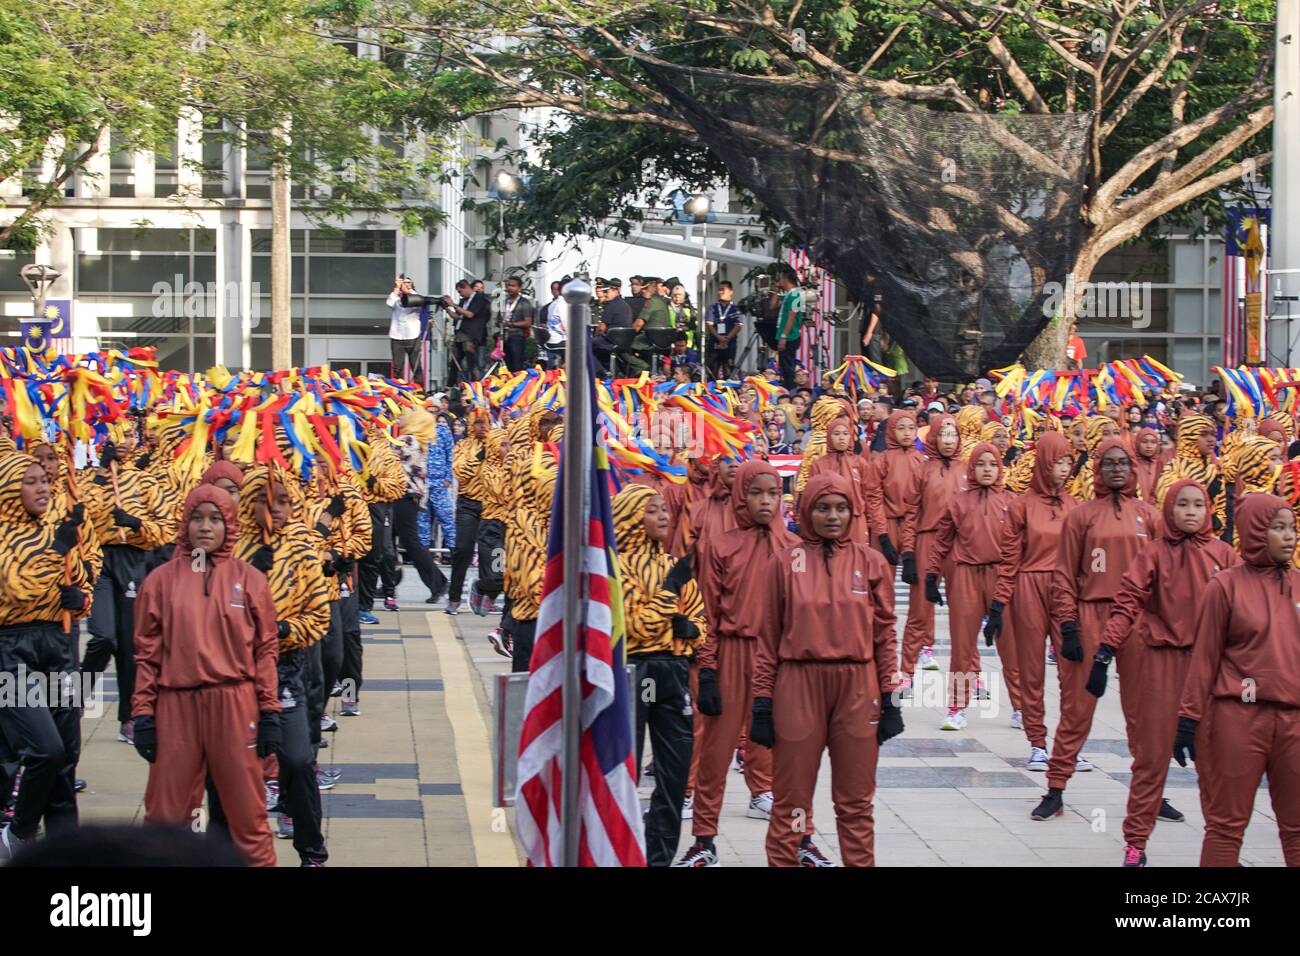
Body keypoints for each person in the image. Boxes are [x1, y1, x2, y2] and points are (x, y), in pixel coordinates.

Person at [751, 472, 902, 867]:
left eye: (840, 508)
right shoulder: (784, 563)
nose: (832, 516)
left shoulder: (870, 561)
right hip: (798, 685)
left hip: (857, 685)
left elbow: (885, 634)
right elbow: (767, 640)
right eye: (822, 508)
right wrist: (762, 703)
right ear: (805, 510)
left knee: (855, 802)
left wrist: (891, 696)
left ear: (853, 511)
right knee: (792, 804)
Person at [130, 485, 280, 867]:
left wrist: (270, 710)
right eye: (197, 518)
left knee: (249, 817)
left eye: (215, 518)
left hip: (234, 704)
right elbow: (146, 655)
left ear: (230, 524)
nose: (205, 527)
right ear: (185, 523)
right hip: (175, 705)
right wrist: (143, 713)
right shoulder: (159, 582)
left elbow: (265, 651)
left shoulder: (250, 580)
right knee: (164, 818)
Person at [1092, 479, 1236, 867]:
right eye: (1182, 505)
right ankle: (1136, 842)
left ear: (1209, 510)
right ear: (1168, 509)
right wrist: (1105, 650)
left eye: (1198, 505)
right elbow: (1127, 603)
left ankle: (1222, 846)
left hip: (1210, 669)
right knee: (1151, 757)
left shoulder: (1224, 554)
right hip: (1161, 665)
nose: (1191, 512)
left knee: (1215, 761)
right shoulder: (1152, 553)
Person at [1037, 439, 1161, 821]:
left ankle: (1151, 794)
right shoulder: (1082, 515)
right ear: (1097, 470)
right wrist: (1068, 626)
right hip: (1091, 614)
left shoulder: (1150, 516)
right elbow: (1064, 574)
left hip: (1138, 619)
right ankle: (1056, 787)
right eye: (1109, 463)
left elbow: (1163, 576)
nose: (1118, 469)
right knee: (1077, 707)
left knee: (1142, 711)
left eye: (1124, 462)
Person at [675, 461, 788, 867]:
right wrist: (707, 669)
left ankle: (793, 839)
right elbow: (706, 610)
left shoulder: (792, 548)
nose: (765, 501)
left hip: (777, 659)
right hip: (731, 654)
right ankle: (704, 839)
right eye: (756, 493)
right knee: (717, 752)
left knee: (783, 749)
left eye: (773, 493)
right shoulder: (721, 546)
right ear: (742, 494)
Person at [1177, 493, 1300, 866]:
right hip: (1238, 718)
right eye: (1278, 528)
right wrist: (1188, 719)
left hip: (1294, 722)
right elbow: (1205, 659)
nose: (1290, 536)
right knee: (1227, 826)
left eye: (1292, 527)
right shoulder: (1225, 586)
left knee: (1296, 829)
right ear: (1256, 531)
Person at [230, 467, 331, 862]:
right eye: (268, 500)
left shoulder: (304, 548)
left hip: (285, 668)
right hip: (234, 671)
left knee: (298, 758)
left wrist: (283, 628)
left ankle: (312, 850)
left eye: (286, 500)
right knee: (236, 764)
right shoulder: (228, 549)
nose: (279, 509)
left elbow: (319, 617)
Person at [0, 453, 92, 858]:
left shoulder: (58, 529)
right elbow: (17, 585)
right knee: (45, 748)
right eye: (30, 481)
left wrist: (81, 598)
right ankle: (18, 830)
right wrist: (58, 549)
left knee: (65, 762)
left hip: (58, 644)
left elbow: (83, 576)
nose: (42, 487)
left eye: (44, 480)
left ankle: (64, 848)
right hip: (12, 649)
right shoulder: (3, 533)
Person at [612, 485, 707, 867]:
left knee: (674, 771)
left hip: (674, 672)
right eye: (652, 511)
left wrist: (690, 628)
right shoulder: (616, 568)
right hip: (638, 673)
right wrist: (670, 597)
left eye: (663, 509)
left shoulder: (673, 565)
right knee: (626, 766)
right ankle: (620, 847)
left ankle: (659, 856)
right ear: (633, 518)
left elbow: (699, 619)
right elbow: (635, 626)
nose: (664, 517)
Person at [991, 431, 1076, 769]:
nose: (1065, 469)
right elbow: (1009, 557)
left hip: (1065, 588)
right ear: (1044, 463)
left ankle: (1071, 742)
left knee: (1072, 668)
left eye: (1069, 462)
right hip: (1028, 588)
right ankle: (1037, 742)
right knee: (1032, 668)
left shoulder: (1074, 505)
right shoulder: (1021, 506)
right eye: (1058, 462)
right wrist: (999, 602)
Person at [81, 426, 168, 746]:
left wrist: (136, 524)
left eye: (129, 435)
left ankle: (129, 717)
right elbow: (81, 517)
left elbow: (164, 530)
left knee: (131, 645)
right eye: (117, 435)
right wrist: (102, 475)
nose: (123, 442)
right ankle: (77, 692)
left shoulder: (145, 481)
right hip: (100, 560)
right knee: (103, 636)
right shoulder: (92, 477)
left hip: (133, 561)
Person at [925, 442, 1011, 730]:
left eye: (993, 464)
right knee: (962, 646)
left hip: (1000, 575)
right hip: (965, 577)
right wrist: (931, 576)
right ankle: (956, 707)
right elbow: (942, 542)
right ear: (971, 468)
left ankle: (1023, 706)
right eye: (980, 465)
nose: (987, 470)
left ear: (1000, 468)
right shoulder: (958, 502)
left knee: (1010, 645)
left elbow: (1019, 546)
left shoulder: (1011, 503)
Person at [900, 413, 964, 680]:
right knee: (919, 610)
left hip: (959, 545)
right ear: (933, 437)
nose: (948, 440)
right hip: (928, 540)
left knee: (963, 614)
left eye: (953, 434)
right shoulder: (922, 470)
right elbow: (911, 513)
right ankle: (905, 673)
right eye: (943, 434)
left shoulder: (966, 470)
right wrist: (908, 552)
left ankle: (968, 677)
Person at [391, 408, 449, 607]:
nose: (401, 417)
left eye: (405, 415)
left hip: (403, 495)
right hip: (408, 495)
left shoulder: (408, 441)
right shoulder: (418, 442)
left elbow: (388, 458)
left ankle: (438, 582)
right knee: (390, 541)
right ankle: (390, 582)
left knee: (410, 542)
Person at [356, 423, 406, 624]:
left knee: (372, 557)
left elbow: (398, 486)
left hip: (377, 508)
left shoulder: (387, 453)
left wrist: (372, 482)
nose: (372, 427)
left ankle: (364, 606)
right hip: (351, 507)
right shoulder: (348, 446)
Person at [445, 279, 490, 384]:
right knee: (454, 362)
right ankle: (450, 386)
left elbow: (470, 314)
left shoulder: (479, 298)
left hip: (470, 335)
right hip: (460, 334)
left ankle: (476, 386)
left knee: (472, 362)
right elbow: (458, 317)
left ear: (466, 287)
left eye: (460, 292)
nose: (460, 295)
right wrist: (447, 309)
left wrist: (453, 305)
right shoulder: (463, 300)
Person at [387, 274, 426, 384]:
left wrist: (407, 290)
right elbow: (389, 303)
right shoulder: (397, 298)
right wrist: (396, 288)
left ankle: (419, 390)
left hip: (412, 336)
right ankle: (397, 389)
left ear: (412, 285)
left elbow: (415, 302)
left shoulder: (416, 296)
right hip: (397, 336)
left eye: (408, 282)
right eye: (403, 282)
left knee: (416, 365)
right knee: (397, 368)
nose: (405, 284)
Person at [772, 267, 804, 390]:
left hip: (790, 336)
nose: (779, 280)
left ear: (786, 278)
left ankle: (791, 392)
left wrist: (784, 337)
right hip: (784, 335)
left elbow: (792, 316)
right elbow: (772, 306)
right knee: (784, 368)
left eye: (781, 278)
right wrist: (776, 290)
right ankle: (788, 390)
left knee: (788, 368)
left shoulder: (796, 294)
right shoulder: (788, 295)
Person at [705, 281, 742, 377]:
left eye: (723, 290)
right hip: (715, 342)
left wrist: (727, 338)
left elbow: (738, 325)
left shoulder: (736, 308)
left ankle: (727, 390)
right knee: (712, 370)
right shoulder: (712, 307)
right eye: (719, 290)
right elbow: (709, 325)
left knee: (728, 370)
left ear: (730, 291)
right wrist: (719, 338)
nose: (720, 292)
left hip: (730, 343)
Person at [499, 276, 534, 374]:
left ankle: (518, 386)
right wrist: (499, 322)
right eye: (508, 285)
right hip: (504, 337)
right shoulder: (504, 302)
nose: (510, 288)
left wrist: (510, 324)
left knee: (517, 365)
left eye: (513, 286)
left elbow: (528, 322)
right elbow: (499, 318)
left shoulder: (524, 303)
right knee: (507, 365)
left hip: (517, 337)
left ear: (519, 288)